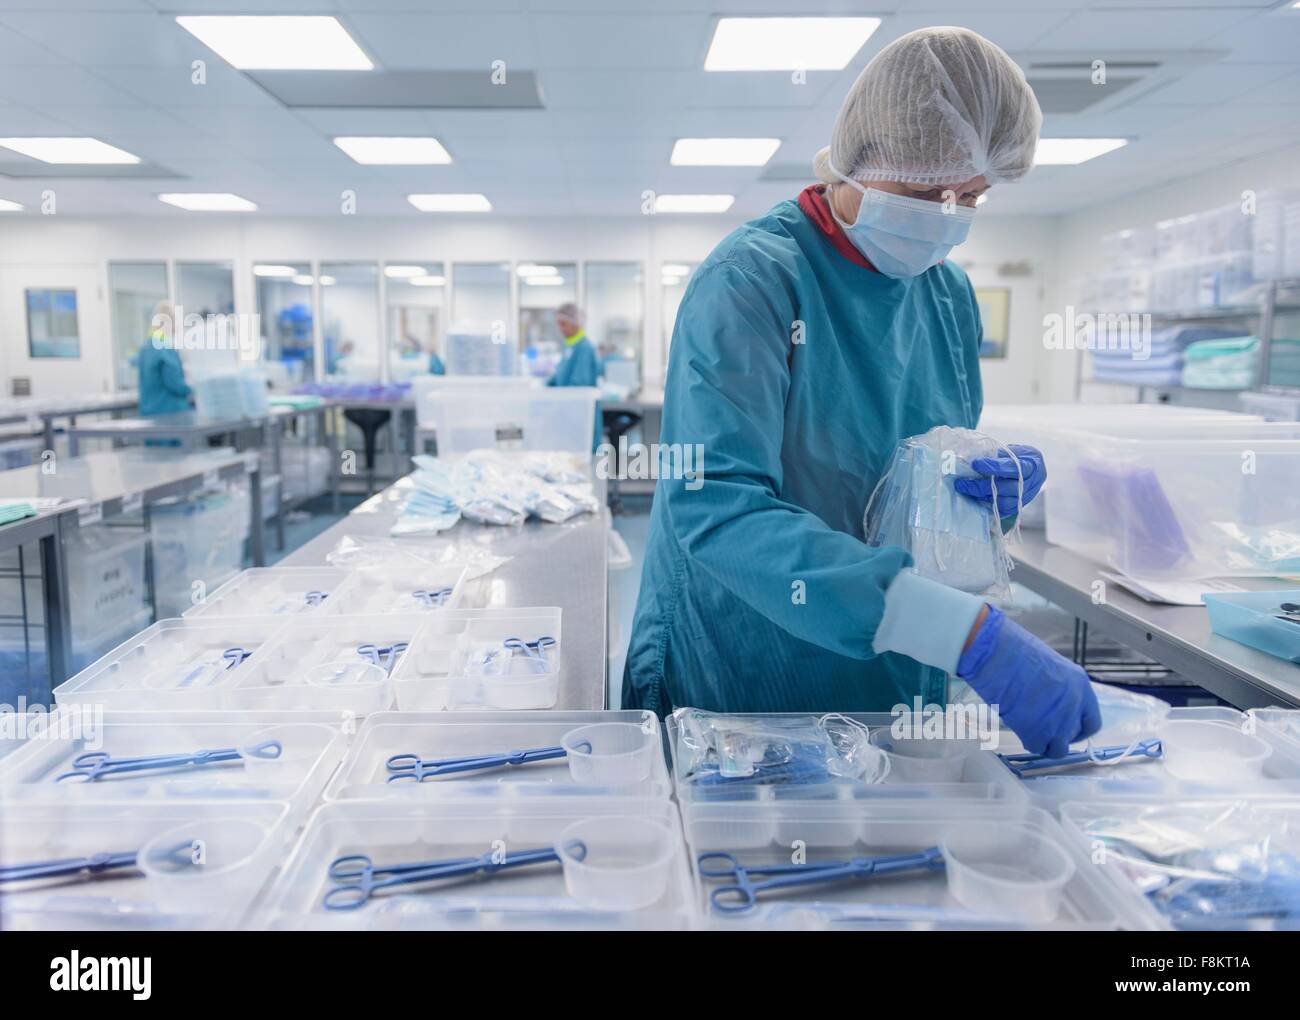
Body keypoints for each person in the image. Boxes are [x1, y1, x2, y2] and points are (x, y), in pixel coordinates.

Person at [623, 27, 1098, 758]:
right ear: (856, 161)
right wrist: (966, 635)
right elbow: (711, 503)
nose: (947, 216)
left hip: (894, 656)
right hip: (744, 660)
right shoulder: (751, 280)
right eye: (924, 192)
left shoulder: (946, 295)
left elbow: (908, 469)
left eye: (970, 196)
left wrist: (975, 493)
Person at [548, 302, 601, 449]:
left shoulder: (584, 348)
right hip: (568, 413)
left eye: (564, 324)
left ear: (576, 323)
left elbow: (579, 384)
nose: (561, 329)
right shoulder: (569, 345)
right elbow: (560, 374)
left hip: (579, 416)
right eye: (558, 324)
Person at [137, 300, 192, 416]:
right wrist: (194, 389)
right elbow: (176, 385)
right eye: (174, 322)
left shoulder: (145, 348)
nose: (175, 328)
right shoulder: (164, 349)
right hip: (170, 415)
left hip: (149, 414)